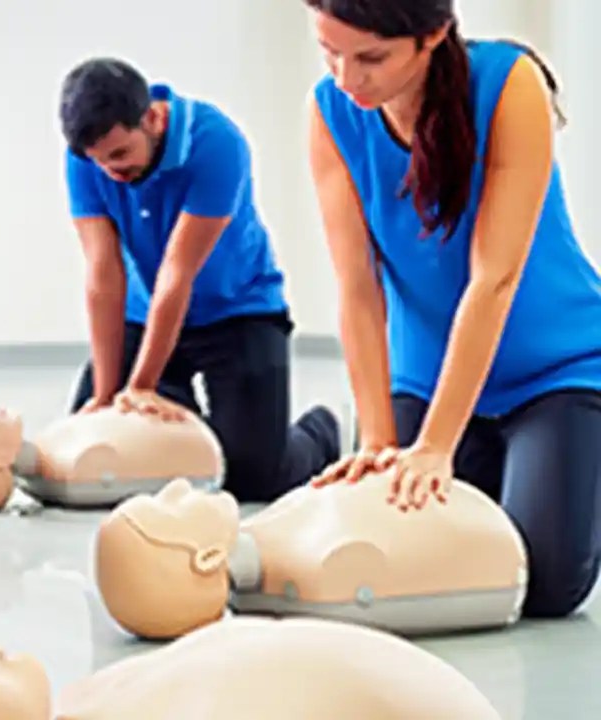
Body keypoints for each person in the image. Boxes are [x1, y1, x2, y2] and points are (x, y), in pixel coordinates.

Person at [304, 0, 601, 617]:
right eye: (330, 52)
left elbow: (494, 279)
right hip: (425, 378)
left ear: (433, 34)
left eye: (371, 57)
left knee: (542, 585)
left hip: (555, 373)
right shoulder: (331, 111)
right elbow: (358, 289)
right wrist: (379, 440)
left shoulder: (510, 83)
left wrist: (436, 445)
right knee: (407, 554)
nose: (347, 78)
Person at [58, 57, 341, 503]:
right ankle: (194, 425)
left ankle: (321, 432)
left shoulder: (216, 143)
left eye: (120, 155)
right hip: (146, 313)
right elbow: (103, 273)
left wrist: (140, 387)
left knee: (252, 478)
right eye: (98, 161)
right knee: (102, 446)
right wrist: (108, 395)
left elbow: (178, 272)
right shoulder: (87, 158)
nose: (110, 171)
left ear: (152, 119)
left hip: (237, 311)